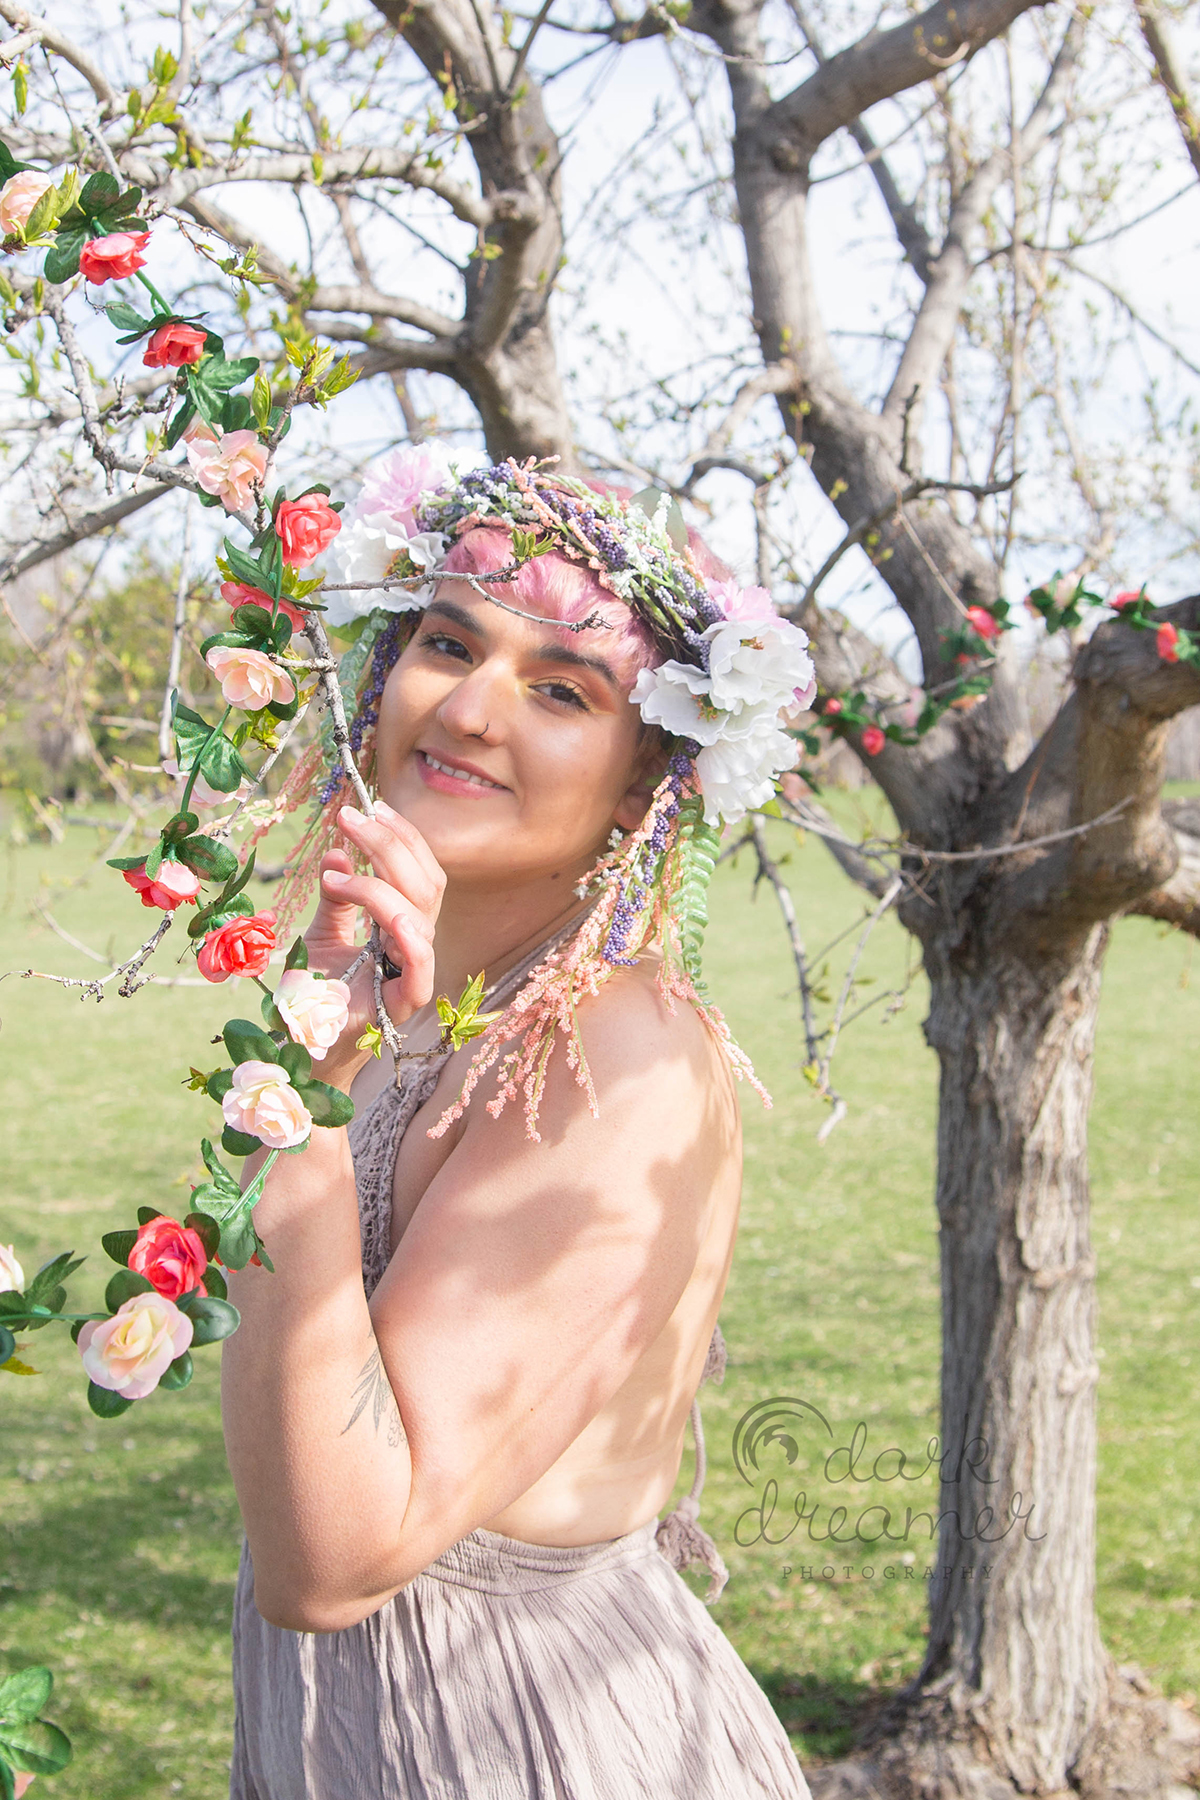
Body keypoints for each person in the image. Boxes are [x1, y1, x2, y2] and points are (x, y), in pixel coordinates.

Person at [222, 452, 816, 1798]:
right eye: (448, 642)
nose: (474, 707)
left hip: (530, 1748)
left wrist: (295, 1104)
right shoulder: (397, 1005)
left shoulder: (619, 1054)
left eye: (562, 689)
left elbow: (334, 1557)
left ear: (639, 784)